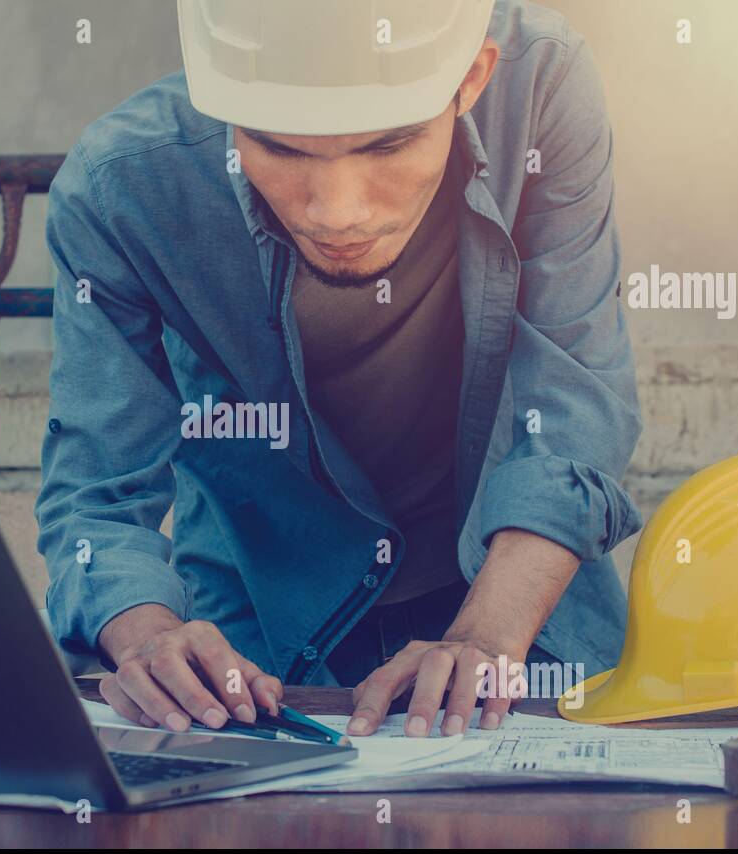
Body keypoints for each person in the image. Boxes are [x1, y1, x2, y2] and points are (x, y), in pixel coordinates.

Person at [36, 0, 644, 738]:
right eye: (282, 151)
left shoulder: (542, 85)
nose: (337, 212)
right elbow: (98, 497)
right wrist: (147, 636)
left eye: (389, 146)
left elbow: (576, 400)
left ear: (472, 78)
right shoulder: (120, 190)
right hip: (257, 642)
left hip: (527, 617)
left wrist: (485, 637)